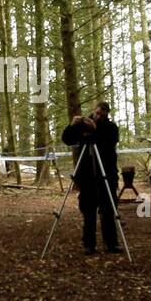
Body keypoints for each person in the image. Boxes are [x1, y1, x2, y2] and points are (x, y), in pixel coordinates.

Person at [61, 102, 121, 254]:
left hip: (106, 175)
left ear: (107, 115)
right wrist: (72, 125)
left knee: (108, 210)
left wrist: (95, 131)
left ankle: (111, 243)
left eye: (102, 114)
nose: (98, 116)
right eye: (97, 113)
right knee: (88, 211)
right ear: (93, 111)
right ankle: (89, 244)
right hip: (87, 177)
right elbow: (67, 140)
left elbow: (109, 141)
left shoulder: (111, 128)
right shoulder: (83, 126)